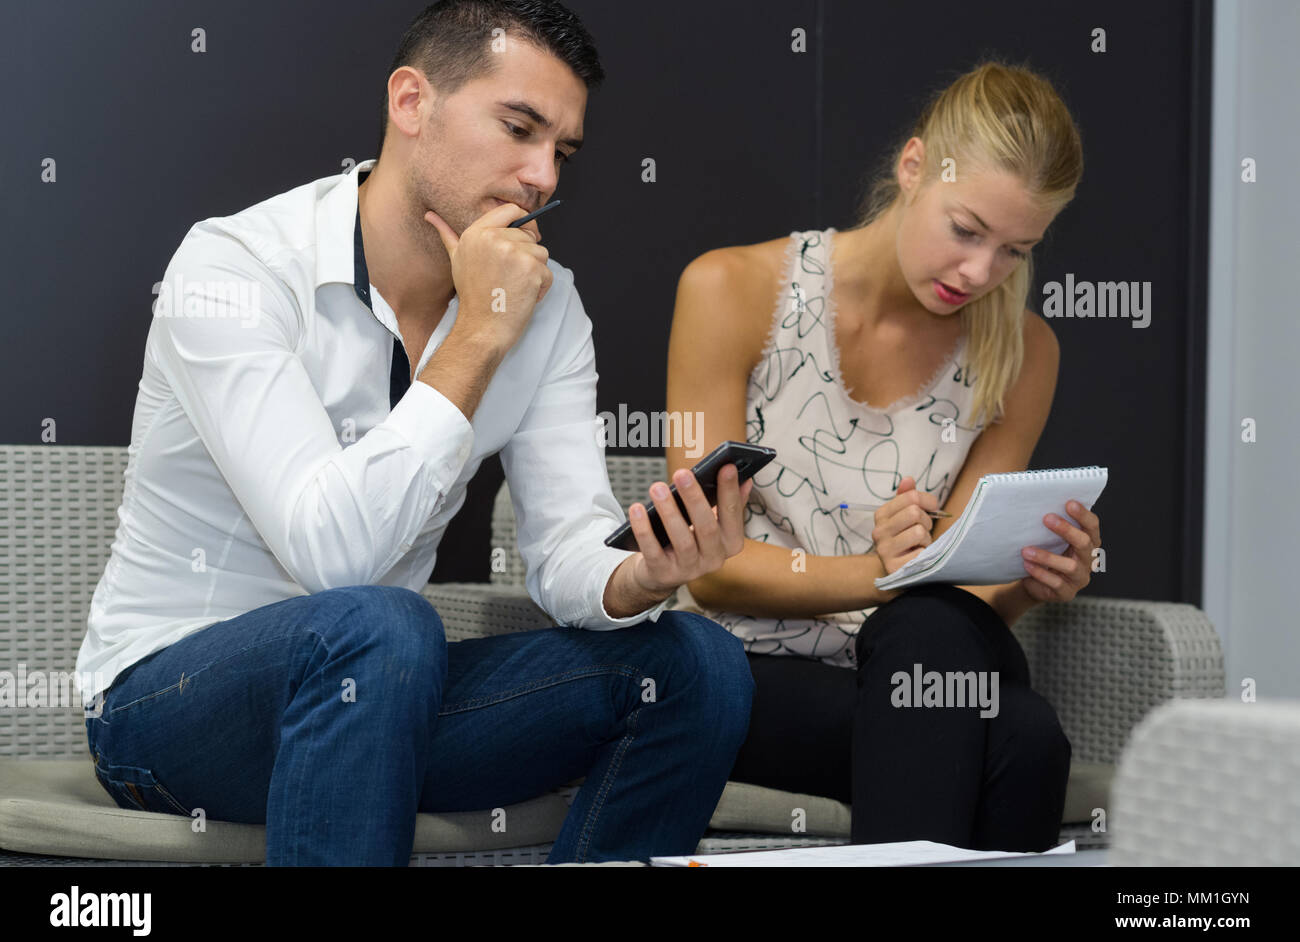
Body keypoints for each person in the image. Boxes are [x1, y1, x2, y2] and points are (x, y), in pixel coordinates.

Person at [76, 0, 755, 866]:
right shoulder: (235, 267)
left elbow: (565, 554)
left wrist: (640, 575)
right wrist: (479, 335)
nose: (543, 176)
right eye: (519, 128)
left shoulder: (550, 306)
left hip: (383, 697)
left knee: (698, 665)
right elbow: (334, 559)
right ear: (411, 103)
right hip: (164, 708)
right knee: (379, 622)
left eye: (564, 151)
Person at [664, 60, 1101, 852]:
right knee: (1023, 738)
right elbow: (707, 566)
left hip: (916, 656)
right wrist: (878, 572)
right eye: (966, 230)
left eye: (1016, 250)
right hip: (744, 666)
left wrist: (1030, 582)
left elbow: (970, 599)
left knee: (934, 631)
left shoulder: (1024, 349)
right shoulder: (731, 289)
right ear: (912, 167)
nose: (980, 273)